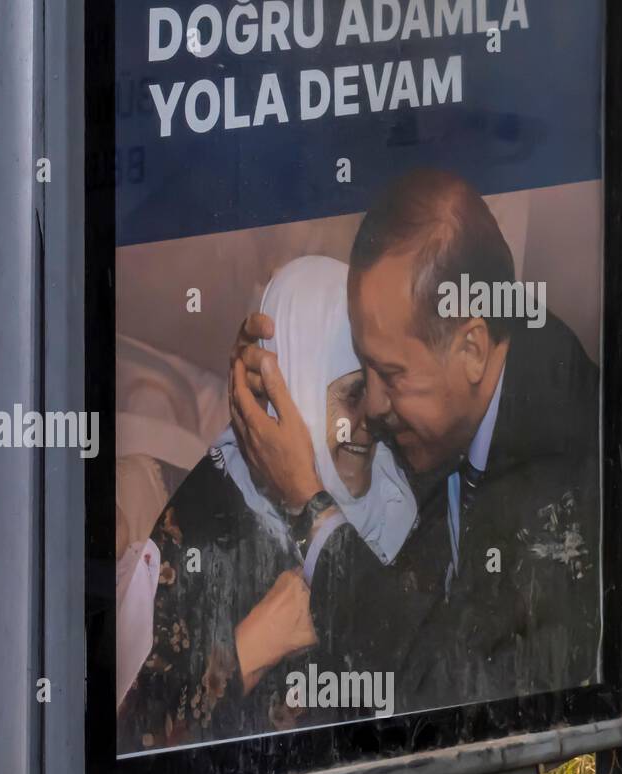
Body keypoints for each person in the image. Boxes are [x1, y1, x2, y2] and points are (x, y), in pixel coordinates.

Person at [228, 170, 601, 714]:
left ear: (472, 349)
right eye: (361, 369)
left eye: (391, 374)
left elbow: (438, 696)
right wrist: (277, 367)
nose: (374, 408)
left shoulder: (559, 467)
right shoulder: (472, 387)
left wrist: (310, 507)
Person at [117, 256, 417, 753]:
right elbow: (138, 740)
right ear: (288, 391)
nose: (371, 419)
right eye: (352, 394)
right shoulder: (205, 524)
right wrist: (249, 649)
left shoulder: (400, 507)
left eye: (382, 389)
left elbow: (433, 689)